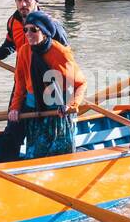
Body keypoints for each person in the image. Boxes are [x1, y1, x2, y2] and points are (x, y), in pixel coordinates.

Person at [0, 0, 69, 161]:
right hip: (23, 81)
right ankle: (6, 165)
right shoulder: (12, 21)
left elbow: (66, 57)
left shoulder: (51, 24)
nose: (23, 4)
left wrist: (68, 93)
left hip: (50, 84)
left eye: (27, 0)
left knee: (51, 125)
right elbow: (10, 45)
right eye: (19, 0)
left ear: (36, 2)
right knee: (14, 123)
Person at [7, 12, 87, 160]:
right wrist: (15, 108)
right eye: (26, 30)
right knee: (34, 156)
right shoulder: (24, 52)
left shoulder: (61, 53)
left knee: (62, 156)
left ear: (44, 32)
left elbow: (80, 84)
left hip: (59, 113)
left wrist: (71, 105)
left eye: (34, 30)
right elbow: (20, 85)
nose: (28, 34)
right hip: (35, 113)